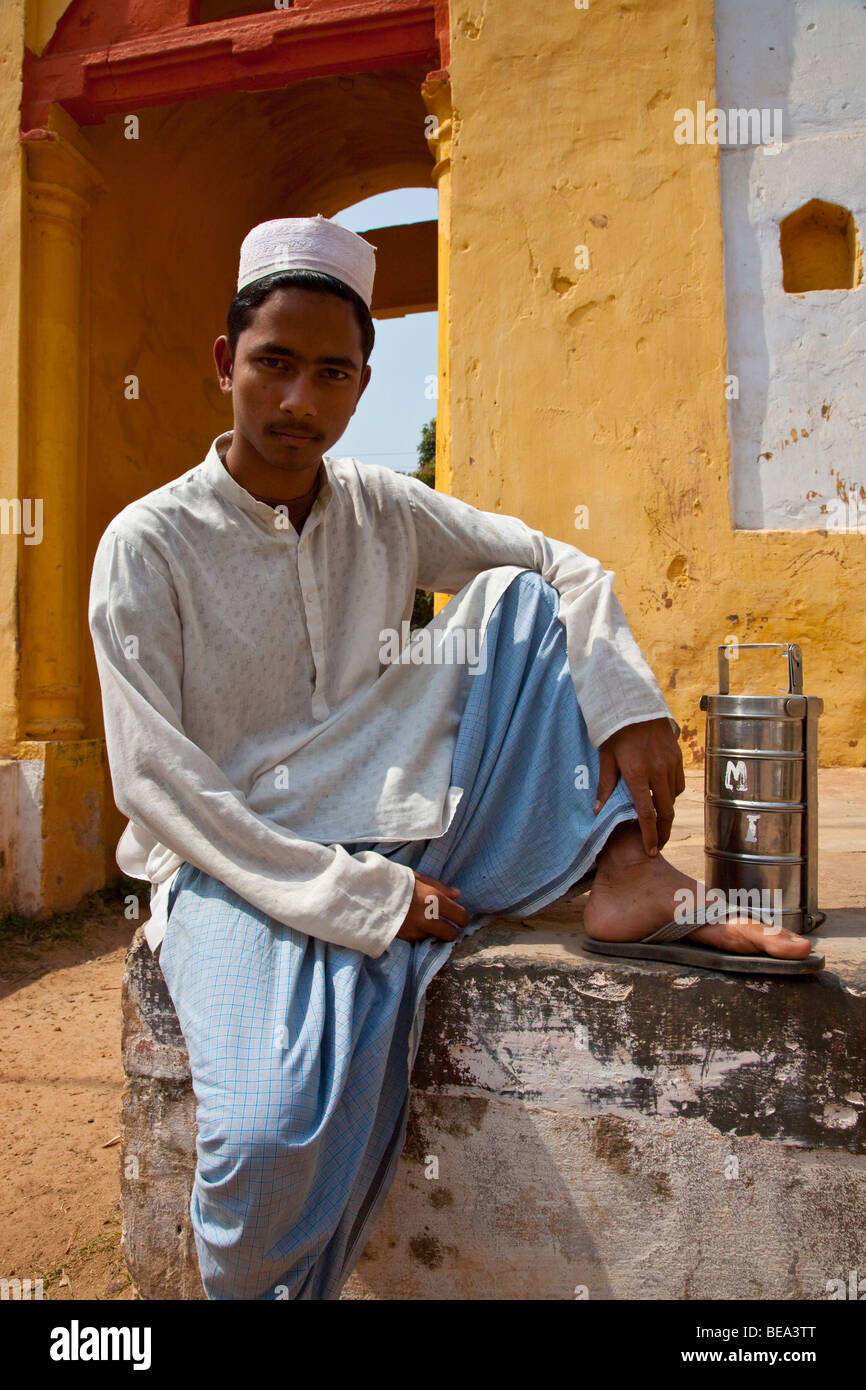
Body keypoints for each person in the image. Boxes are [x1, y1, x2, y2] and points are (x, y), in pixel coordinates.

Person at [88, 215, 822, 1301]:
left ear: (359, 385)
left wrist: (627, 704)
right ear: (223, 365)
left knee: (520, 602)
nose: (299, 401)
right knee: (263, 1132)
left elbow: (552, 562)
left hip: (393, 797)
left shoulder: (379, 505)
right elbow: (158, 783)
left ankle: (621, 871)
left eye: (331, 374)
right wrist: (371, 897)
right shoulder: (147, 543)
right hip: (234, 857)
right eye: (273, 364)